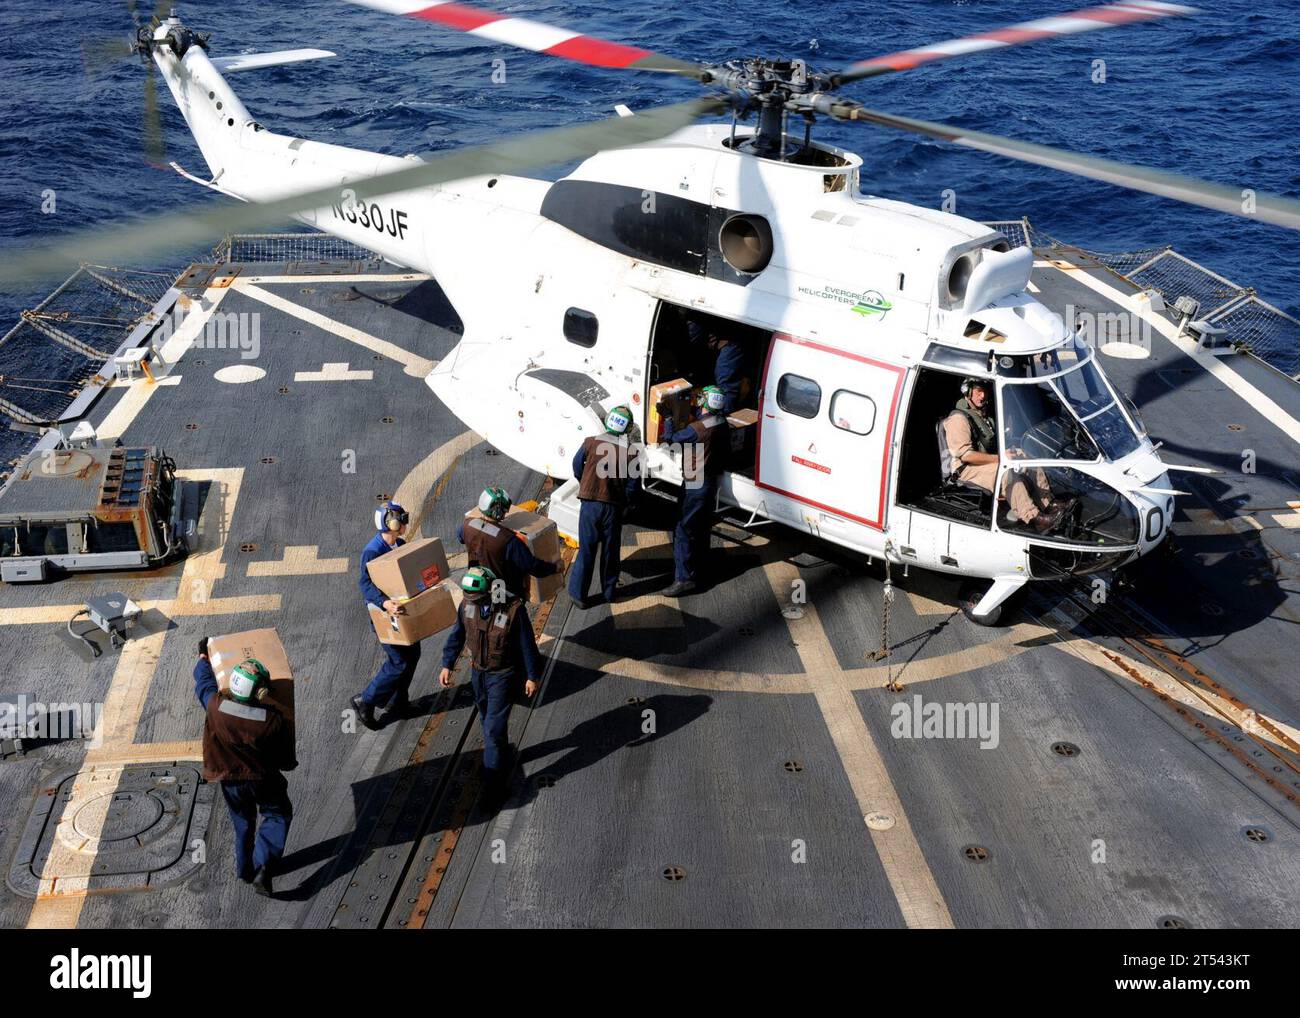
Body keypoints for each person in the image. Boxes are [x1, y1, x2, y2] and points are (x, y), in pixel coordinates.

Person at [195, 639, 296, 897]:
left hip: (229, 779)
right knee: (277, 815)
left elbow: (204, 683)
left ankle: (245, 870)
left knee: (243, 822)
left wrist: (203, 658)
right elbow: (284, 757)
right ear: (260, 693)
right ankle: (264, 866)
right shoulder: (271, 720)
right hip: (262, 779)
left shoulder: (215, 706)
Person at [439, 567, 543, 809]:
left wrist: (532, 676)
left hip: (502, 676)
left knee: (493, 731)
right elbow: (457, 635)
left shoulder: (513, 610)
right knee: (487, 721)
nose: (472, 601)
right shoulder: (467, 605)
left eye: (478, 597)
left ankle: (494, 789)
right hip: (478, 674)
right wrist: (447, 664)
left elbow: (527, 644)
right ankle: (500, 757)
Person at [943, 378, 1063, 533]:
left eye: (985, 392)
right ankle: (1035, 518)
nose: (982, 396)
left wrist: (1012, 453)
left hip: (987, 461)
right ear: (967, 391)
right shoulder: (958, 419)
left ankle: (1049, 503)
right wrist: (1001, 459)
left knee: (1024, 457)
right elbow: (966, 455)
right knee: (1006, 473)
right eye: (979, 391)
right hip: (965, 469)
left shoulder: (983, 414)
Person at [351, 500, 420, 731]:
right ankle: (366, 700)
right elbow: (364, 582)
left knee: (413, 653)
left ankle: (399, 702)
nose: (404, 524)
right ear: (390, 523)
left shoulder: (398, 543)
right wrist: (384, 602)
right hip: (384, 616)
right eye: (401, 520)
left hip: (401, 613)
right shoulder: (372, 550)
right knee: (399, 661)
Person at [569, 406, 641, 608]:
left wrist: (585, 482)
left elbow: (576, 465)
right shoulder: (631, 453)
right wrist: (627, 505)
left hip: (590, 504)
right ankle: (609, 591)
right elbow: (633, 486)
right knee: (610, 551)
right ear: (626, 428)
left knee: (586, 550)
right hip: (613, 507)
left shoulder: (590, 442)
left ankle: (578, 595)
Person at [661, 384, 728, 597]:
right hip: (709, 481)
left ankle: (684, 579)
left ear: (704, 403)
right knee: (701, 528)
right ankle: (700, 569)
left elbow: (671, 440)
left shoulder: (697, 429)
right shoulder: (722, 423)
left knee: (683, 529)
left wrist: (669, 419)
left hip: (695, 481)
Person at [456, 485, 558, 599]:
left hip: (478, 586)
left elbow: (460, 537)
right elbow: (532, 566)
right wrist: (555, 568)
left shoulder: (466, 526)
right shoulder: (508, 540)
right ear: (498, 512)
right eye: (504, 510)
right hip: (504, 593)